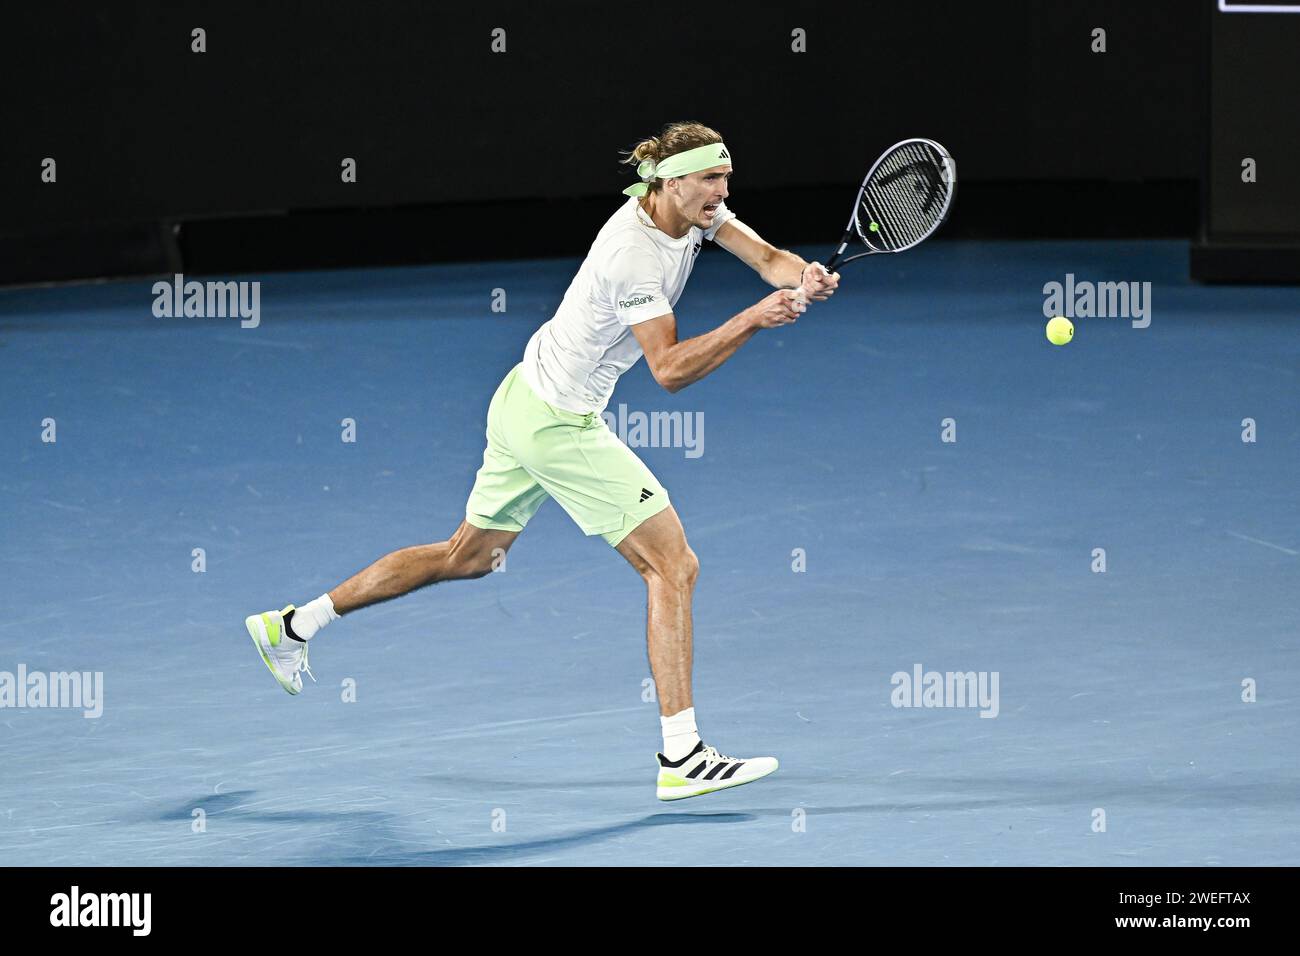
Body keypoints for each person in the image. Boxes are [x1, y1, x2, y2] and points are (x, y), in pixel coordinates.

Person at [245, 121, 839, 800]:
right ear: (670, 182)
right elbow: (669, 371)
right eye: (711, 179)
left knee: (464, 555)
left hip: (522, 396)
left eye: (726, 178)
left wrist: (803, 276)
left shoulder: (691, 210)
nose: (723, 191)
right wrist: (751, 321)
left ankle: (293, 625)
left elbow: (766, 258)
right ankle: (683, 756)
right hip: (558, 424)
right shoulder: (633, 258)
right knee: (673, 566)